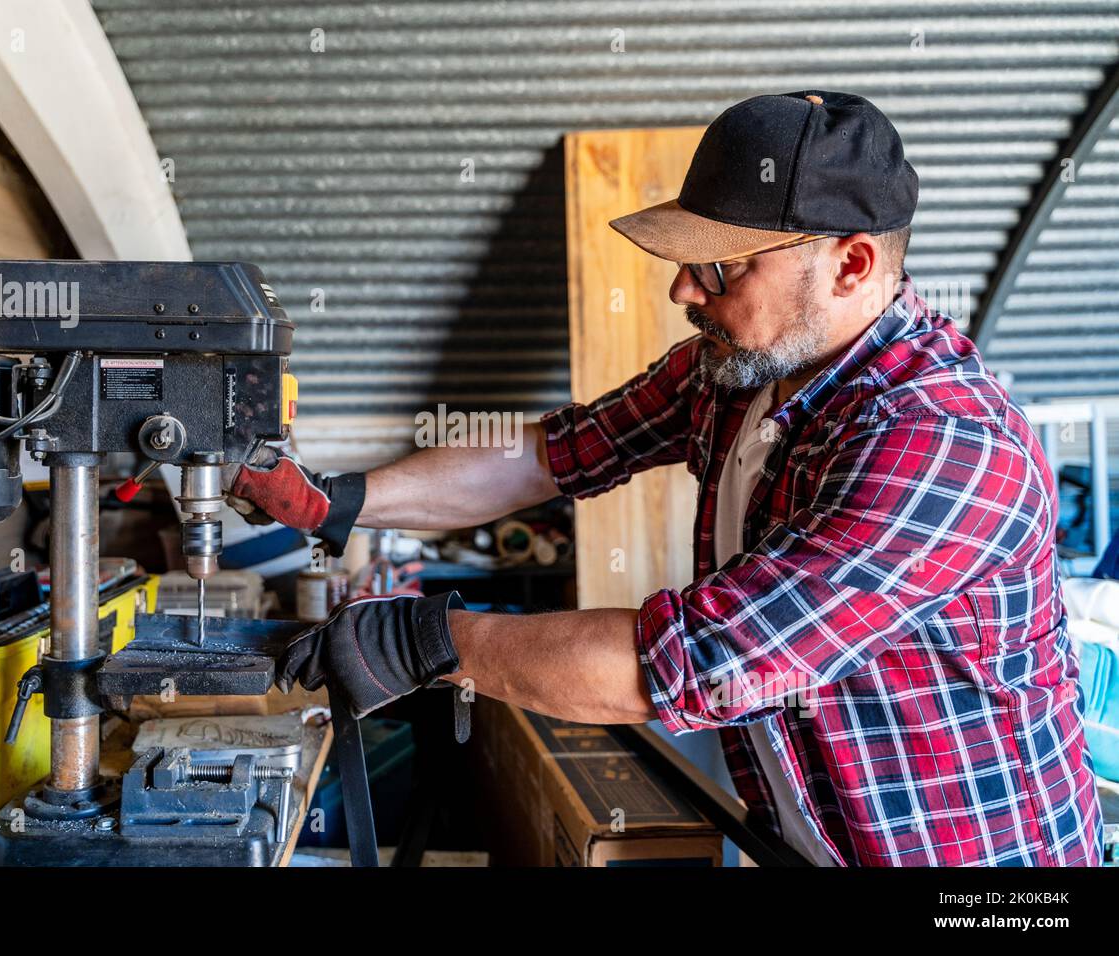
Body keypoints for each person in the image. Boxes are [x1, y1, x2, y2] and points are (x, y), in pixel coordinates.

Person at [225, 91, 1103, 866]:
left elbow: (688, 663)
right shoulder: (739, 367)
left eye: (721, 265)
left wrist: (429, 641)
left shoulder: (941, 445)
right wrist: (340, 499)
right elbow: (551, 455)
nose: (684, 289)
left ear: (852, 264)